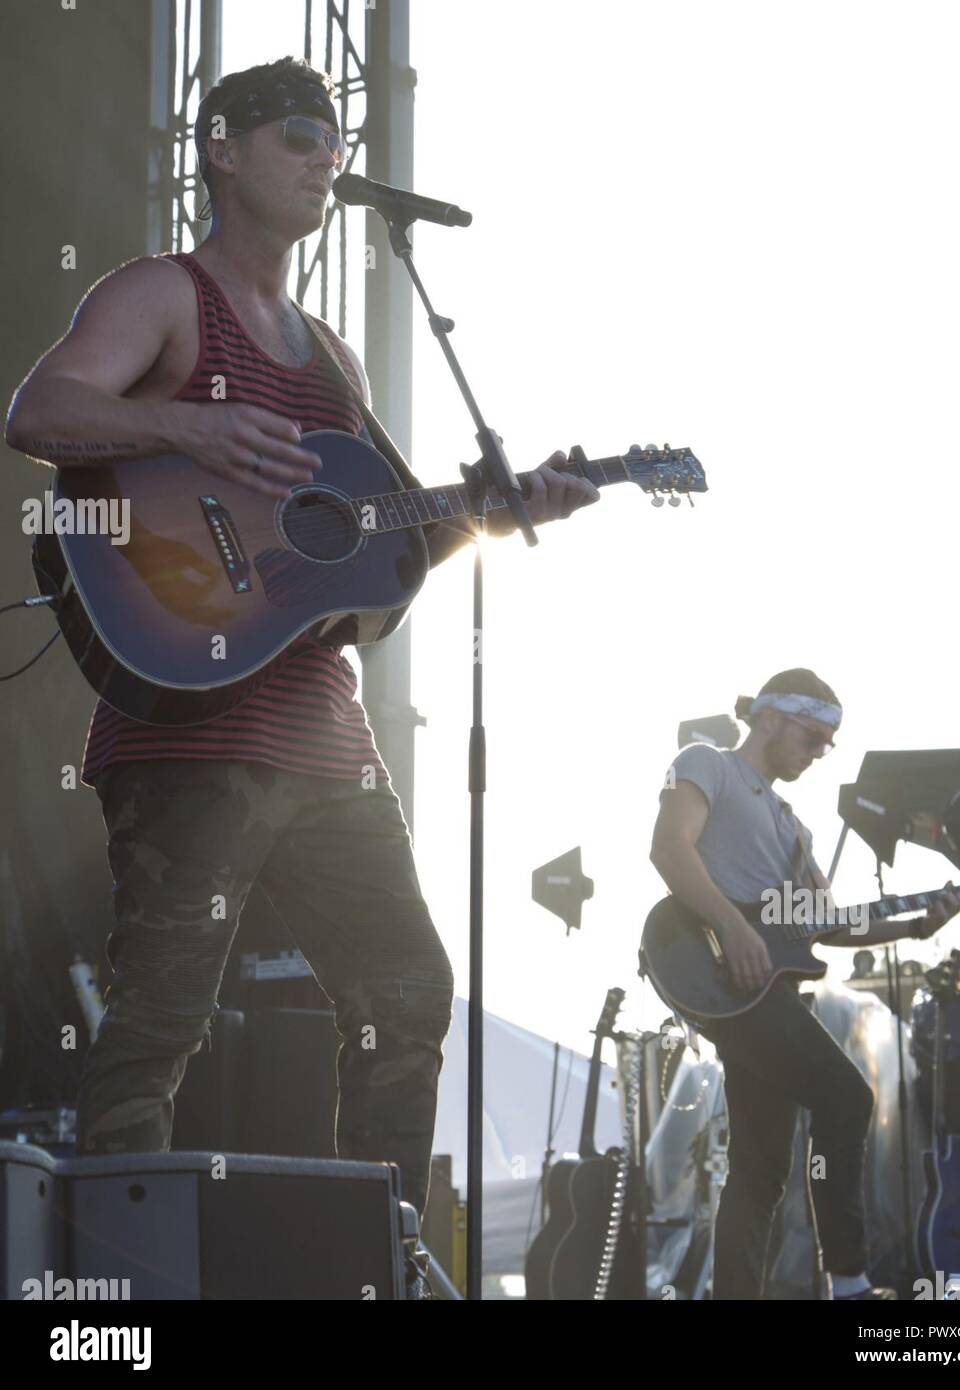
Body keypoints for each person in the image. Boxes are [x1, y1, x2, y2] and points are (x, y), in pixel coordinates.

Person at [6, 56, 599, 1292]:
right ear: (221, 149)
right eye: (297, 136)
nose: (325, 156)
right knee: (160, 1015)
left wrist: (499, 506)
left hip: (324, 740)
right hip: (188, 740)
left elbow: (373, 550)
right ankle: (123, 1292)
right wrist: (186, 423)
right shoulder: (160, 295)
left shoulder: (331, 356)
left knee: (406, 988)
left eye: (334, 141)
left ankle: (374, 1265)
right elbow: (40, 410)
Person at [649, 668, 960, 1300]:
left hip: (767, 992)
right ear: (769, 717)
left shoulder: (794, 828)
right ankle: (850, 1282)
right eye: (813, 734)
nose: (822, 750)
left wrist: (915, 924)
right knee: (847, 1099)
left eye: (830, 740)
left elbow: (827, 927)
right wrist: (732, 928)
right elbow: (668, 848)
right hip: (713, 967)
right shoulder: (706, 763)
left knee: (761, 1170)